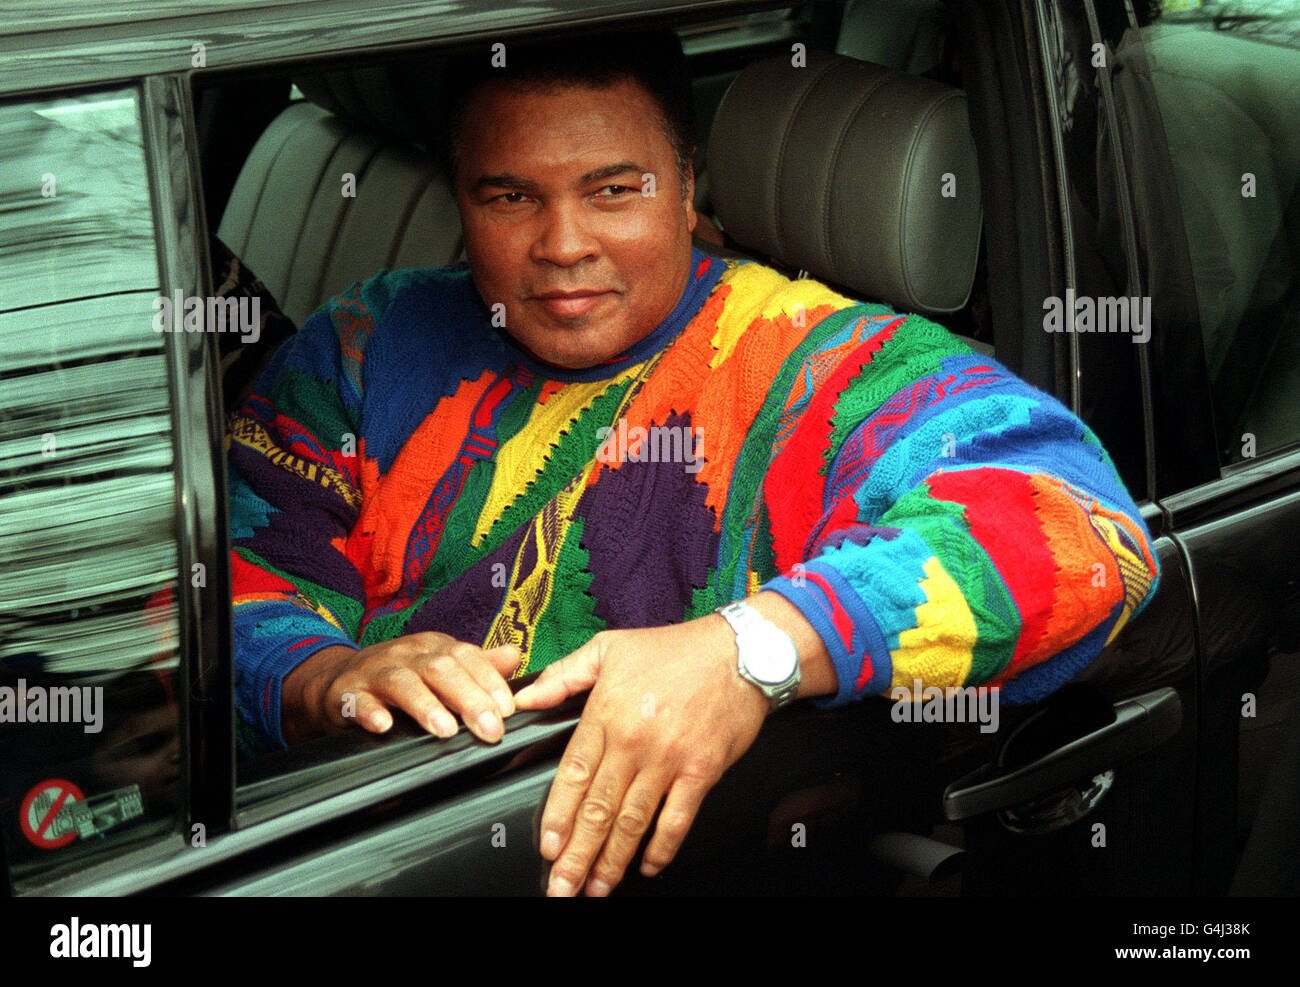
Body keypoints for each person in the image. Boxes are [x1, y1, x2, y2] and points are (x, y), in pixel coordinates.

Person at [226, 29, 1160, 896]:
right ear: (460, 195)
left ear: (686, 187)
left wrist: (749, 650)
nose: (562, 246)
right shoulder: (366, 340)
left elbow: (1084, 536)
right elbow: (225, 588)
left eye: (613, 190)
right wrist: (325, 677)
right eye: (509, 196)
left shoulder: (819, 365)